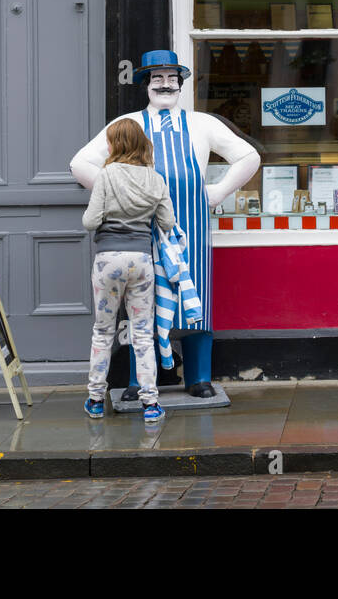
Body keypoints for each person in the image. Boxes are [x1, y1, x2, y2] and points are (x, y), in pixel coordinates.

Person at [71, 49, 260, 401]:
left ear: (181, 83)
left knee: (196, 297)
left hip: (192, 226)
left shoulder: (204, 124)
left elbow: (249, 156)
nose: (165, 84)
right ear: (145, 83)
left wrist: (217, 192)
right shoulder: (128, 125)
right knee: (140, 301)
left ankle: (199, 377)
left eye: (172, 77)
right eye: (157, 77)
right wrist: (118, 192)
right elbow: (80, 163)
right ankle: (138, 381)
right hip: (141, 229)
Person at [81, 117, 175, 424]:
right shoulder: (155, 178)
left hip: (108, 261)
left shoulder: (107, 175)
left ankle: (95, 399)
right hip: (140, 261)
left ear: (117, 144)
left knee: (103, 331)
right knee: (143, 335)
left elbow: (90, 221)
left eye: (110, 140)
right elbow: (168, 222)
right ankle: (150, 405)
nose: (107, 145)